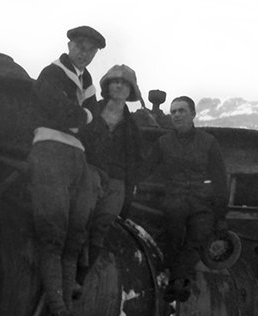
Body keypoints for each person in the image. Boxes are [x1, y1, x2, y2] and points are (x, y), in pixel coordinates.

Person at [28, 25, 106, 316]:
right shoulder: (51, 73)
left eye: (91, 50)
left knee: (74, 237)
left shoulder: (87, 82)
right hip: (50, 149)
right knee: (53, 234)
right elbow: (60, 111)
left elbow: (92, 124)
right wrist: (83, 116)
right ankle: (58, 311)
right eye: (80, 46)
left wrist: (80, 117)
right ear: (70, 45)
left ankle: (67, 313)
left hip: (78, 157)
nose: (84, 53)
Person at [147, 95, 229, 302]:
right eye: (173, 112)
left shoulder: (209, 142)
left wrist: (221, 216)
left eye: (181, 111)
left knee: (199, 236)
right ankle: (178, 280)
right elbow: (145, 169)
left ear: (193, 114)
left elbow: (220, 180)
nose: (177, 115)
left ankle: (178, 280)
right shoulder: (163, 143)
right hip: (174, 199)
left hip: (202, 203)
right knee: (174, 232)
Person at [76, 64, 144, 285]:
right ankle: (70, 271)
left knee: (101, 226)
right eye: (115, 81)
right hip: (89, 173)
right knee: (79, 221)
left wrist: (128, 194)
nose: (119, 86)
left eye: (124, 83)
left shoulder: (132, 127)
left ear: (130, 90)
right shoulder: (90, 112)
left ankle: (81, 277)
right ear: (107, 86)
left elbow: (133, 163)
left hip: (116, 182)